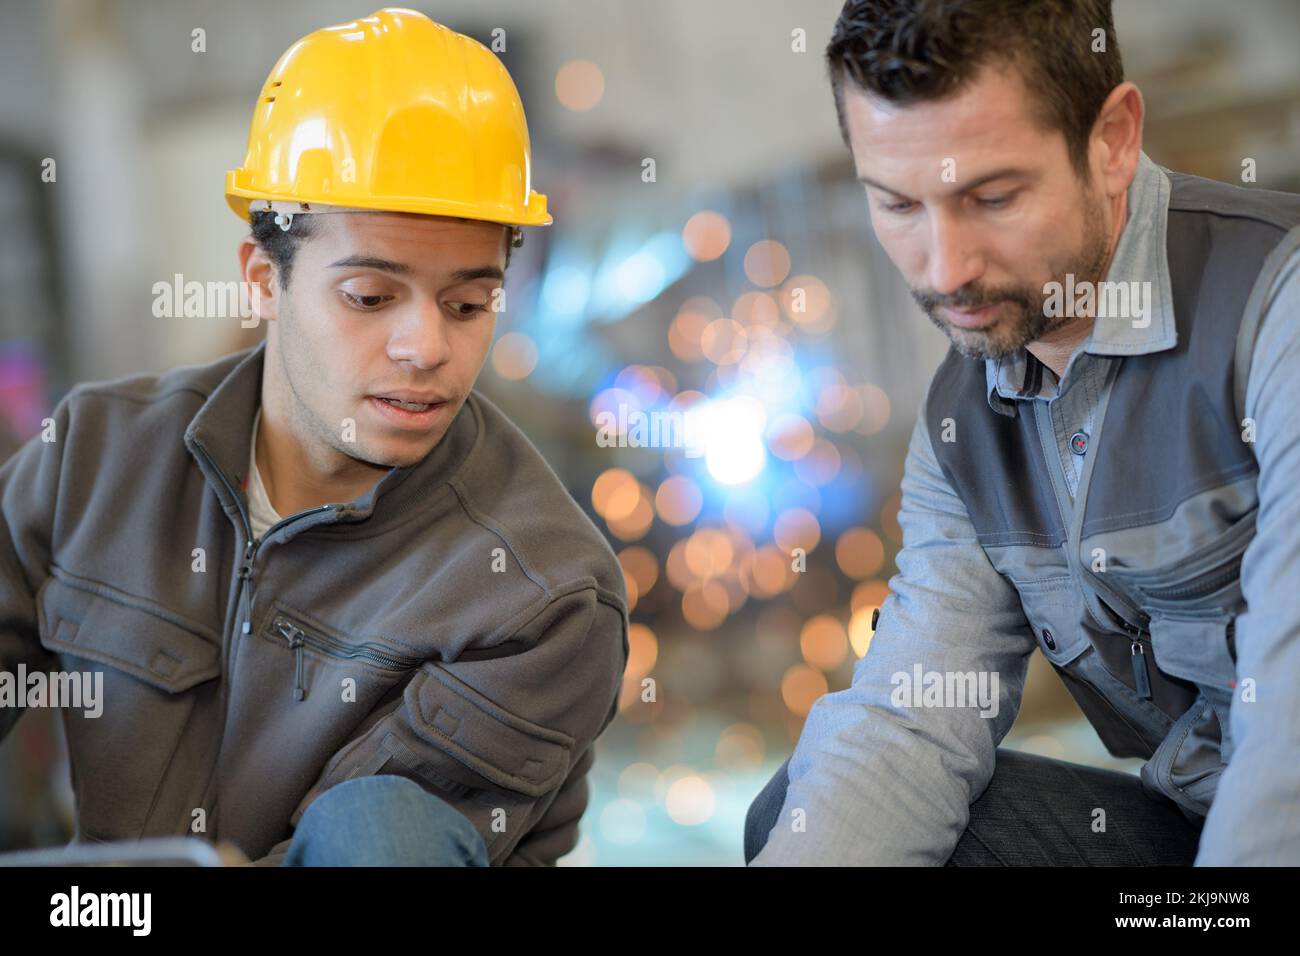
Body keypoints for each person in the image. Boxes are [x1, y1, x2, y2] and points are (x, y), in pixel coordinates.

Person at [0, 8, 628, 867]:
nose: (427, 348)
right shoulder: (95, 458)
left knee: (381, 831)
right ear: (263, 282)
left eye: (467, 304)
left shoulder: (539, 597)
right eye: (371, 298)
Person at [747, 0, 1300, 866]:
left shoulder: (1277, 312)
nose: (945, 268)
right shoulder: (963, 420)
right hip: (1198, 828)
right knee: (810, 808)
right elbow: (912, 720)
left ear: (1112, 140)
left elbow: (1289, 751)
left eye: (993, 197)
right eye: (896, 205)